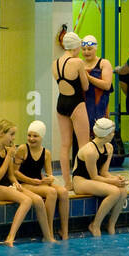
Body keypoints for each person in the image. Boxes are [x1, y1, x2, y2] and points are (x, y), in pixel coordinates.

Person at [0, 119, 52, 245]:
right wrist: (9, 156)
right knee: (27, 200)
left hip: (7, 186)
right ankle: (10, 237)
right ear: (1, 134)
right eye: (12, 134)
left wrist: (16, 183)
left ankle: (48, 236)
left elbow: (10, 175)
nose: (13, 138)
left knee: (37, 200)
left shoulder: (6, 149)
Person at [14, 121, 70, 240]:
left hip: (38, 182)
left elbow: (49, 175)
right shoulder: (23, 149)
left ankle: (64, 231)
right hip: (25, 183)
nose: (31, 138)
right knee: (51, 192)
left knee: (64, 192)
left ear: (42, 137)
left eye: (35, 136)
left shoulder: (46, 153)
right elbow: (15, 172)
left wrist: (49, 178)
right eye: (29, 135)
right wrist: (31, 180)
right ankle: (48, 232)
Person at [72, 117, 128, 236]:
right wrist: (113, 183)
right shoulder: (90, 151)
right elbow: (94, 177)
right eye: (112, 132)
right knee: (114, 192)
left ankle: (111, 225)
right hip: (81, 181)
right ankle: (95, 225)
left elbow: (104, 172)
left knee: (123, 191)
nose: (114, 134)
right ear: (106, 134)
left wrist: (116, 179)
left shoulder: (109, 147)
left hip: (94, 179)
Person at [54, 31, 91, 190]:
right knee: (84, 145)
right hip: (76, 103)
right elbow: (85, 86)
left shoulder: (55, 63)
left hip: (61, 103)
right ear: (76, 46)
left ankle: (67, 183)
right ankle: (81, 179)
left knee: (65, 145)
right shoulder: (78, 63)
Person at [80, 35, 114, 125]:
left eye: (89, 49)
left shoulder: (104, 63)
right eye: (83, 49)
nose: (86, 52)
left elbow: (107, 85)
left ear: (96, 49)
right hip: (82, 106)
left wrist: (89, 78)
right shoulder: (79, 64)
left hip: (100, 107)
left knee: (101, 132)